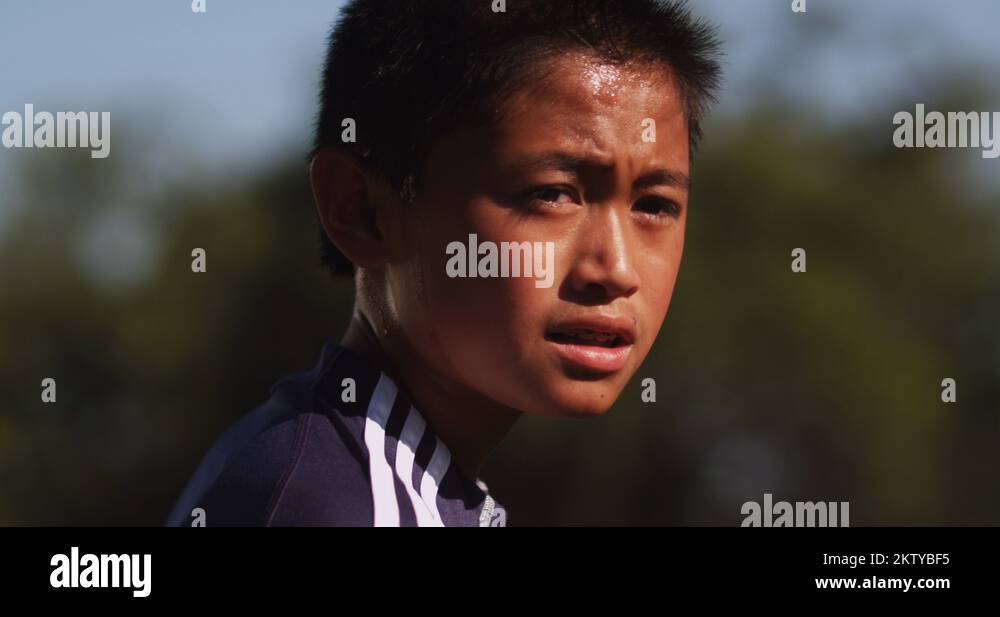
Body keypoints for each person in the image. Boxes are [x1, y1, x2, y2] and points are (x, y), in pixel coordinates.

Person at [167, 0, 722, 527]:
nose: (617, 269)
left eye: (654, 204)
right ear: (362, 211)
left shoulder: (358, 472)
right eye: (551, 194)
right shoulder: (332, 504)